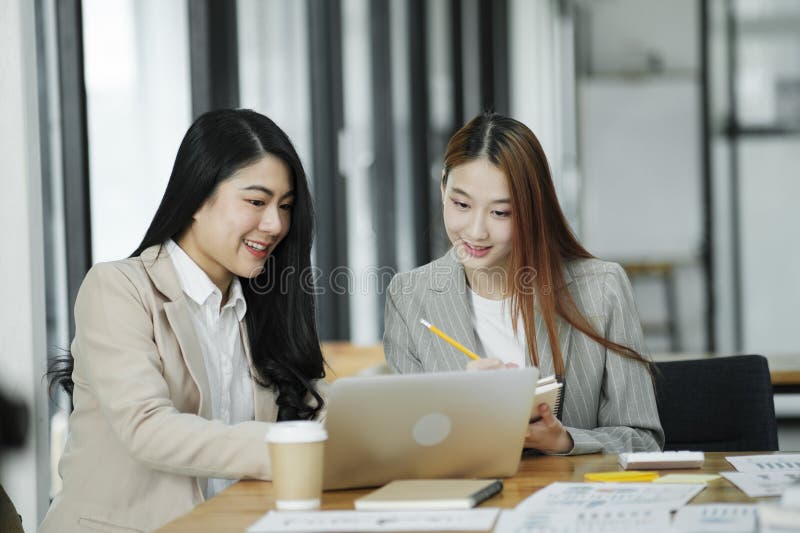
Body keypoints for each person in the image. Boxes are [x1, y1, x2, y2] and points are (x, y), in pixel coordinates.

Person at [41, 109, 326, 533]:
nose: (275, 224)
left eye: (285, 206)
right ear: (196, 197)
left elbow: (311, 409)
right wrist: (290, 449)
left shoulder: (261, 304)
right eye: (256, 202)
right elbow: (148, 428)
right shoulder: (117, 288)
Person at [384, 111, 663, 456]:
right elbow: (409, 445)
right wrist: (459, 407)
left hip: (567, 501)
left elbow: (644, 438)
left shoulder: (601, 289)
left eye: (500, 213)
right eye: (461, 204)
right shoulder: (409, 296)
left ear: (532, 209)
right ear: (443, 189)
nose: (475, 231)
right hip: (469, 501)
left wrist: (565, 441)